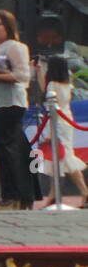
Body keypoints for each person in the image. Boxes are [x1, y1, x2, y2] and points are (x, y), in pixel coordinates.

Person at [0, 10, 38, 210]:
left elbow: (23, 75)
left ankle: (11, 196)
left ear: (8, 27)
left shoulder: (15, 46)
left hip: (11, 103)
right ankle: (20, 195)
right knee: (14, 149)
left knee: (4, 147)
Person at [38, 56, 88, 204]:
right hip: (66, 120)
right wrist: (39, 70)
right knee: (58, 157)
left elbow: (49, 100)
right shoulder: (67, 84)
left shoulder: (52, 85)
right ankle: (54, 195)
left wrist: (48, 131)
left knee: (63, 157)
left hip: (57, 122)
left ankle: (84, 191)